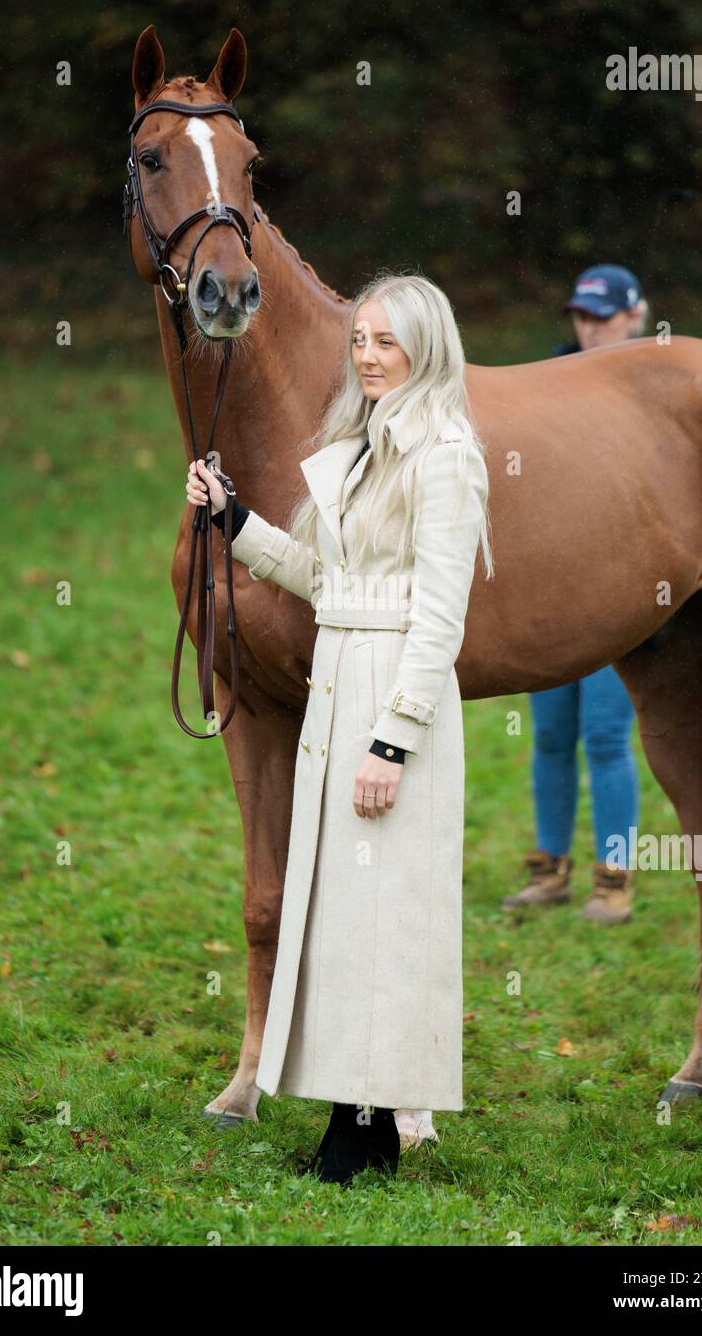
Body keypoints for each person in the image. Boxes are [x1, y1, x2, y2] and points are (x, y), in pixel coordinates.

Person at [189, 273, 493, 1184]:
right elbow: (320, 576)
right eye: (358, 339)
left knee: (390, 911)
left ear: (424, 349)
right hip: (337, 680)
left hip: (395, 691)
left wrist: (394, 740)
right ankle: (352, 1118)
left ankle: (374, 1127)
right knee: (343, 913)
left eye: (385, 343)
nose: (366, 356)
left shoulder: (445, 453)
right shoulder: (358, 448)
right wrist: (234, 518)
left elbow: (442, 618)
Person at [502, 265, 646, 924]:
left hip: (621, 594)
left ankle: (614, 879)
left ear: (636, 316)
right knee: (552, 735)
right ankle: (549, 871)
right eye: (582, 316)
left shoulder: (661, 387)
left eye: (603, 315)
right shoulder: (548, 382)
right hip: (549, 589)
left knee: (607, 737)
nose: (590, 328)